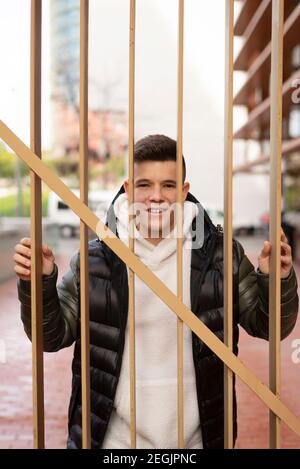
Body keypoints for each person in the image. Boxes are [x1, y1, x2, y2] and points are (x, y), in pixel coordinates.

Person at [14, 135, 299, 449]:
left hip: (196, 443)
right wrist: (39, 282)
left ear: (184, 191)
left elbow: (269, 326)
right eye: (144, 184)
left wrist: (277, 279)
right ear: (128, 188)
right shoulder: (94, 258)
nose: (156, 197)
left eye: (168, 185)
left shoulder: (221, 255)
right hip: (113, 443)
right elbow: (51, 336)